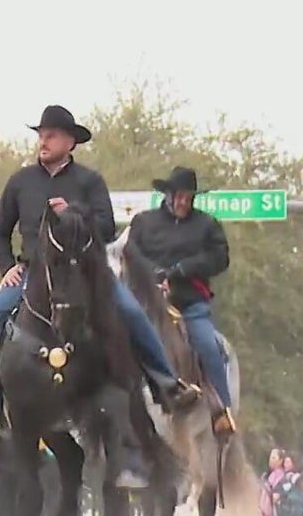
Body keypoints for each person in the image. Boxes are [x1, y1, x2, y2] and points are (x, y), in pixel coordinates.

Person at [0, 105, 201, 435]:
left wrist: (74, 211)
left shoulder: (89, 181)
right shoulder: (20, 182)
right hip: (35, 276)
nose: (43, 141)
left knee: (132, 312)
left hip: (89, 276)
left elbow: (105, 228)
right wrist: (6, 268)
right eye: (41, 135)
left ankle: (167, 385)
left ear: (70, 142)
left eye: (51, 135)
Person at [128, 166, 235, 435]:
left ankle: (221, 411)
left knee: (208, 346)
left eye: (188, 197)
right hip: (146, 304)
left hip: (189, 303)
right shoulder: (143, 223)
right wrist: (153, 274)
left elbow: (219, 258)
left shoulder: (207, 225)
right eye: (178, 196)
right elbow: (130, 254)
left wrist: (182, 270)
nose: (182, 202)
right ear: (167, 195)